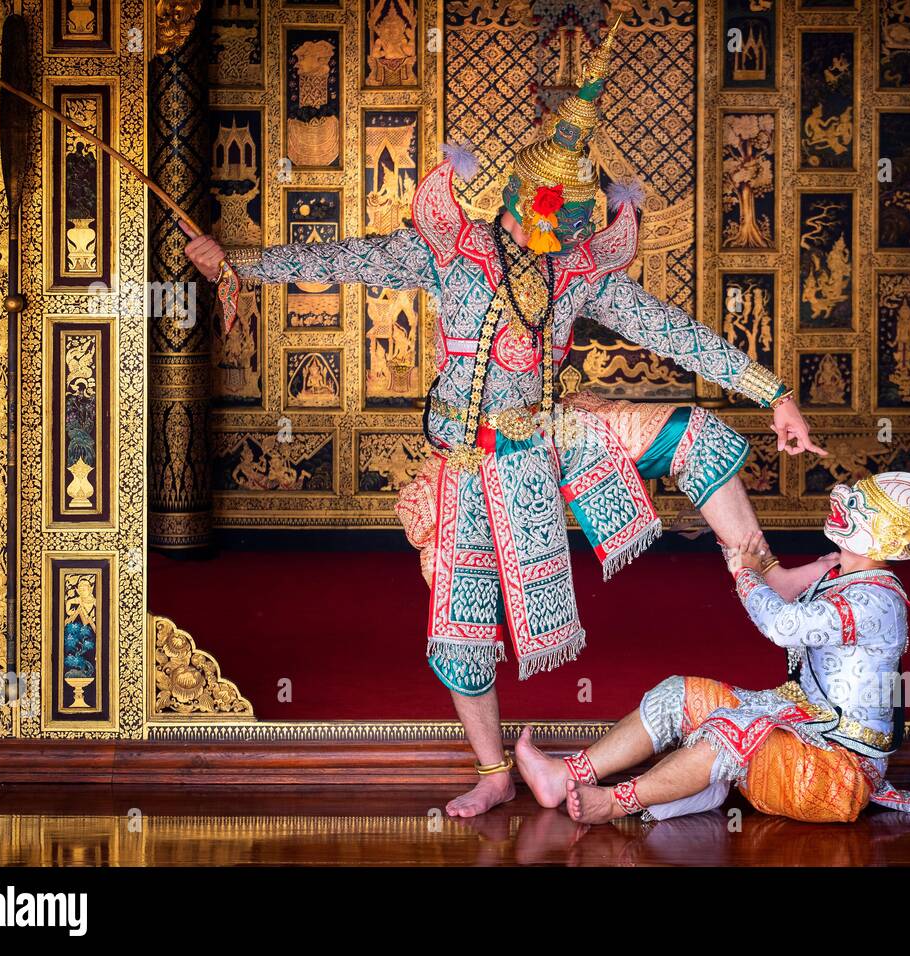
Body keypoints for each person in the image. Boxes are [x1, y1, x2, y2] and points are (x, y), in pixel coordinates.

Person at [184, 18, 826, 817]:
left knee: (699, 436)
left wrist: (775, 393)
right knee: (461, 632)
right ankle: (494, 774)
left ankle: (766, 573)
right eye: (537, 216)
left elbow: (673, 330)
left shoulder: (579, 274)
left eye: (563, 225)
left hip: (555, 432)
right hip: (468, 459)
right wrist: (237, 262)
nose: (545, 236)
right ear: (515, 197)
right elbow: (341, 258)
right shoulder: (448, 253)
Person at [515, 472, 910, 843]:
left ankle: (615, 804)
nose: (842, 504)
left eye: (860, 506)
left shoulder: (876, 601)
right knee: (679, 694)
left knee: (733, 730)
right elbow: (783, 584)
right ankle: (566, 775)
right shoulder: (839, 569)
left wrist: (744, 575)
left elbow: (780, 624)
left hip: (837, 772)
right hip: (804, 728)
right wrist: (747, 554)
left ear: (884, 536)